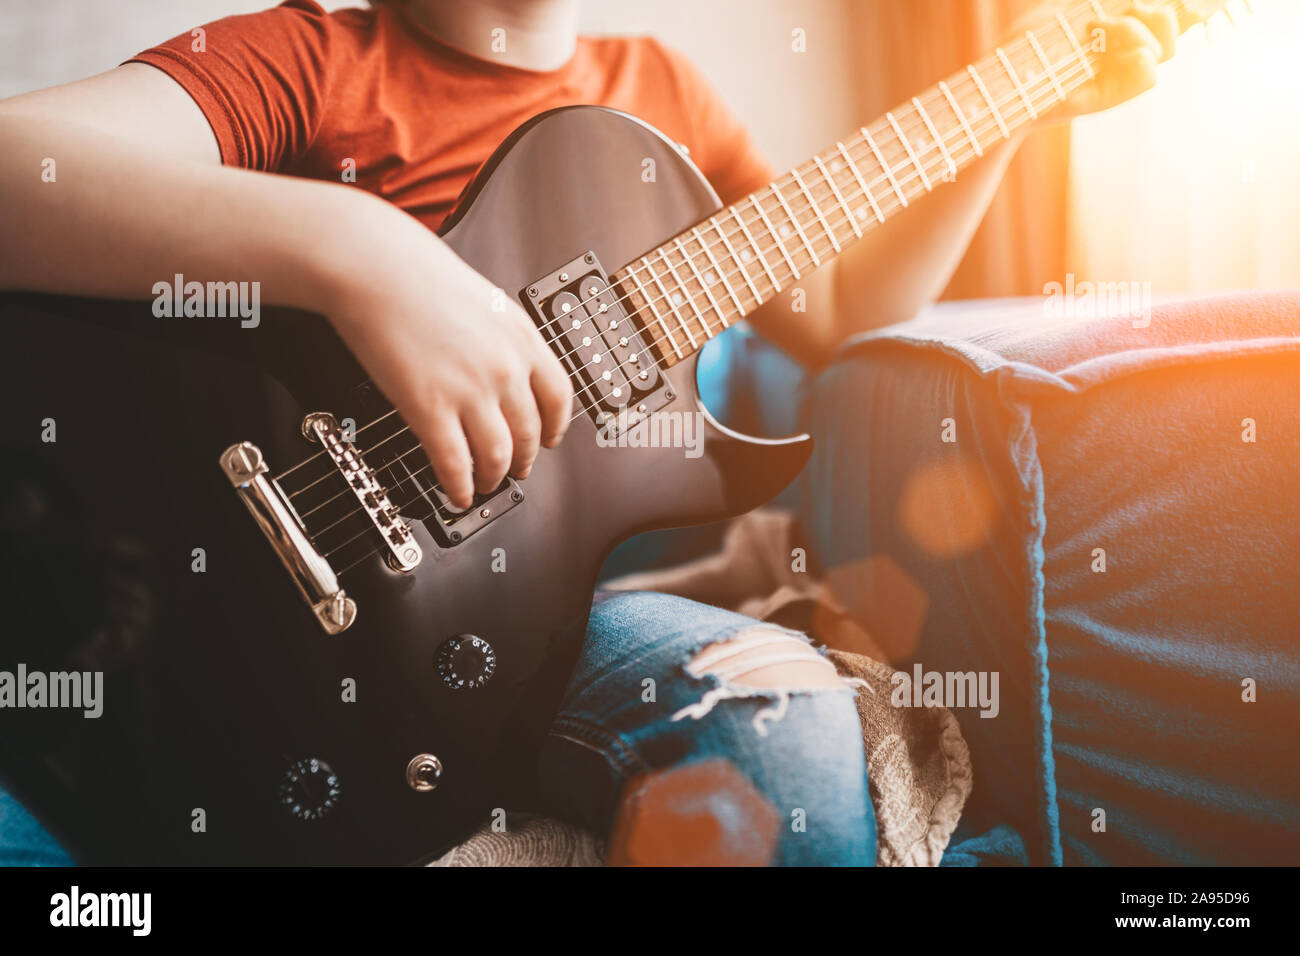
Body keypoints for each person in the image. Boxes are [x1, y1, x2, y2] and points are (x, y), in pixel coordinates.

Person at [0, 0, 1177, 865]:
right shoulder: (312, 57)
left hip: (574, 628)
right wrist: (359, 253)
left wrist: (1017, 103)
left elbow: (833, 313)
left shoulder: (659, 88)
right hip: (276, 627)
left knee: (789, 732)